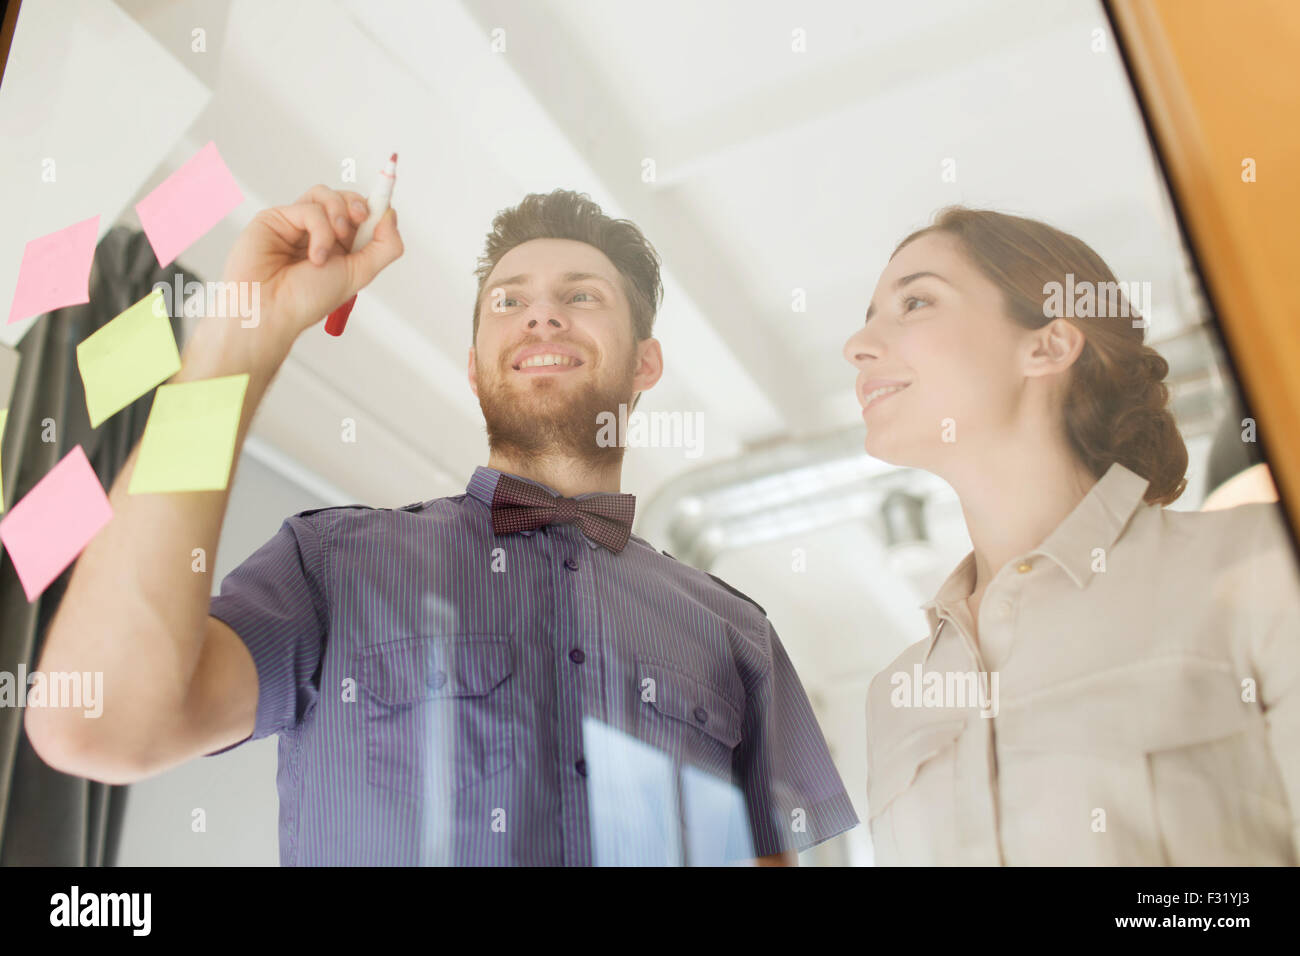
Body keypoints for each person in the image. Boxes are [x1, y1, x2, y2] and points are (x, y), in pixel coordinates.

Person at [28, 185, 858, 865]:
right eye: (509, 300)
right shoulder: (332, 566)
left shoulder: (736, 632)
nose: (543, 316)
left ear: (645, 361)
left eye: (582, 296)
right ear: (471, 366)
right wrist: (244, 337)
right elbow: (96, 720)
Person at [842, 206, 1300, 865]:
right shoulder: (896, 694)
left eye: (915, 301)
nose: (856, 344)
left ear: (1048, 344)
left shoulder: (1254, 562)